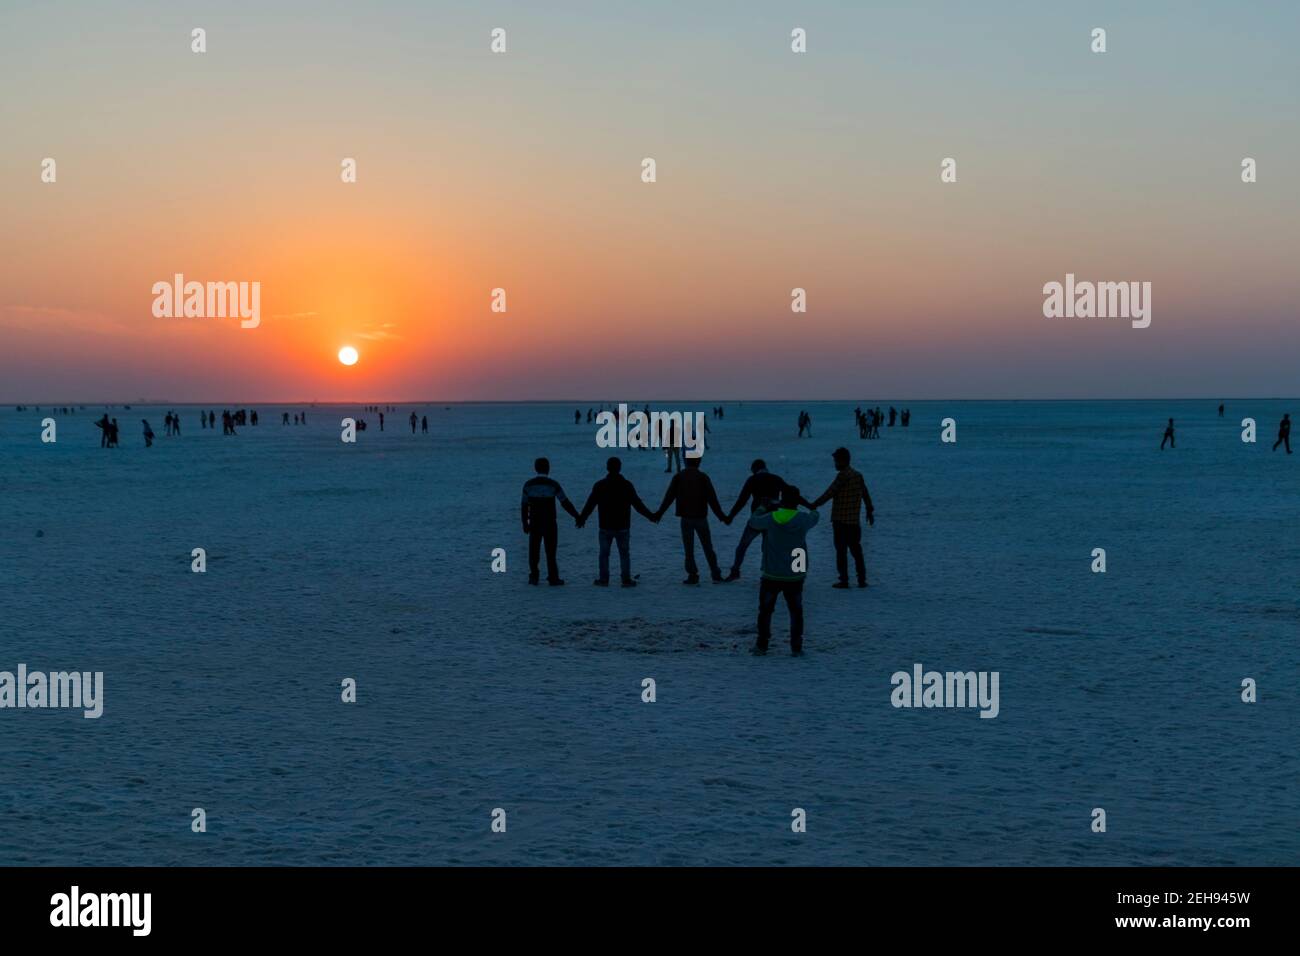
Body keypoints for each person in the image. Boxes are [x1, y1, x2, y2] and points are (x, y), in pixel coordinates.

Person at [748, 486, 819, 656]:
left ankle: (762, 645)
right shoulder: (803, 520)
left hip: (771, 572)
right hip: (796, 572)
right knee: (796, 611)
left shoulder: (771, 518)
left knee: (765, 611)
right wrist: (807, 504)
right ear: (797, 502)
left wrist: (762, 506)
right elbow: (815, 515)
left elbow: (753, 521)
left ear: (781, 499)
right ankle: (796, 646)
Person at [724, 459, 812, 581]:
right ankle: (767, 572)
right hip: (773, 519)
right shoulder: (776, 479)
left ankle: (735, 571)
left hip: (757, 518)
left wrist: (731, 516)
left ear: (754, 470)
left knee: (743, 545)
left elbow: (742, 500)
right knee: (768, 548)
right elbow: (792, 494)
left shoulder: (752, 480)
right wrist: (809, 505)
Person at [577, 456, 658, 587]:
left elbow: (590, 504)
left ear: (607, 468)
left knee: (604, 554)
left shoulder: (600, 485)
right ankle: (625, 579)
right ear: (620, 468)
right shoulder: (626, 485)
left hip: (605, 525)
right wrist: (651, 516)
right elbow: (638, 505)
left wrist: (582, 518)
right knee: (624, 554)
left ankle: (604, 579)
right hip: (623, 525)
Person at [653, 456, 729, 584]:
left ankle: (692, 574)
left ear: (686, 462)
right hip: (701, 517)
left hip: (686, 518)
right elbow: (712, 499)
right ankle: (715, 573)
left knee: (689, 549)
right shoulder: (703, 477)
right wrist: (722, 516)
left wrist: (660, 513)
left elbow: (669, 497)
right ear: (699, 462)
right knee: (708, 547)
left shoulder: (679, 477)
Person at [810, 447, 874, 588]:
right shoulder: (858, 475)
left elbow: (829, 493)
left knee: (841, 551)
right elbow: (866, 494)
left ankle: (844, 580)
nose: (834, 463)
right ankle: (861, 579)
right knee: (857, 551)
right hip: (854, 522)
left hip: (840, 521)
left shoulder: (843, 476)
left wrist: (814, 504)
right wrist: (870, 510)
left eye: (836, 460)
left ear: (842, 460)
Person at [521, 457, 581, 585]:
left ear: (535, 468)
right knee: (551, 551)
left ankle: (534, 576)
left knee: (534, 551)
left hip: (535, 522)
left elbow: (524, 505)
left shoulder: (528, 485)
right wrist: (577, 516)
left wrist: (525, 523)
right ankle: (553, 577)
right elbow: (564, 502)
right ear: (548, 468)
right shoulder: (553, 484)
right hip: (550, 523)